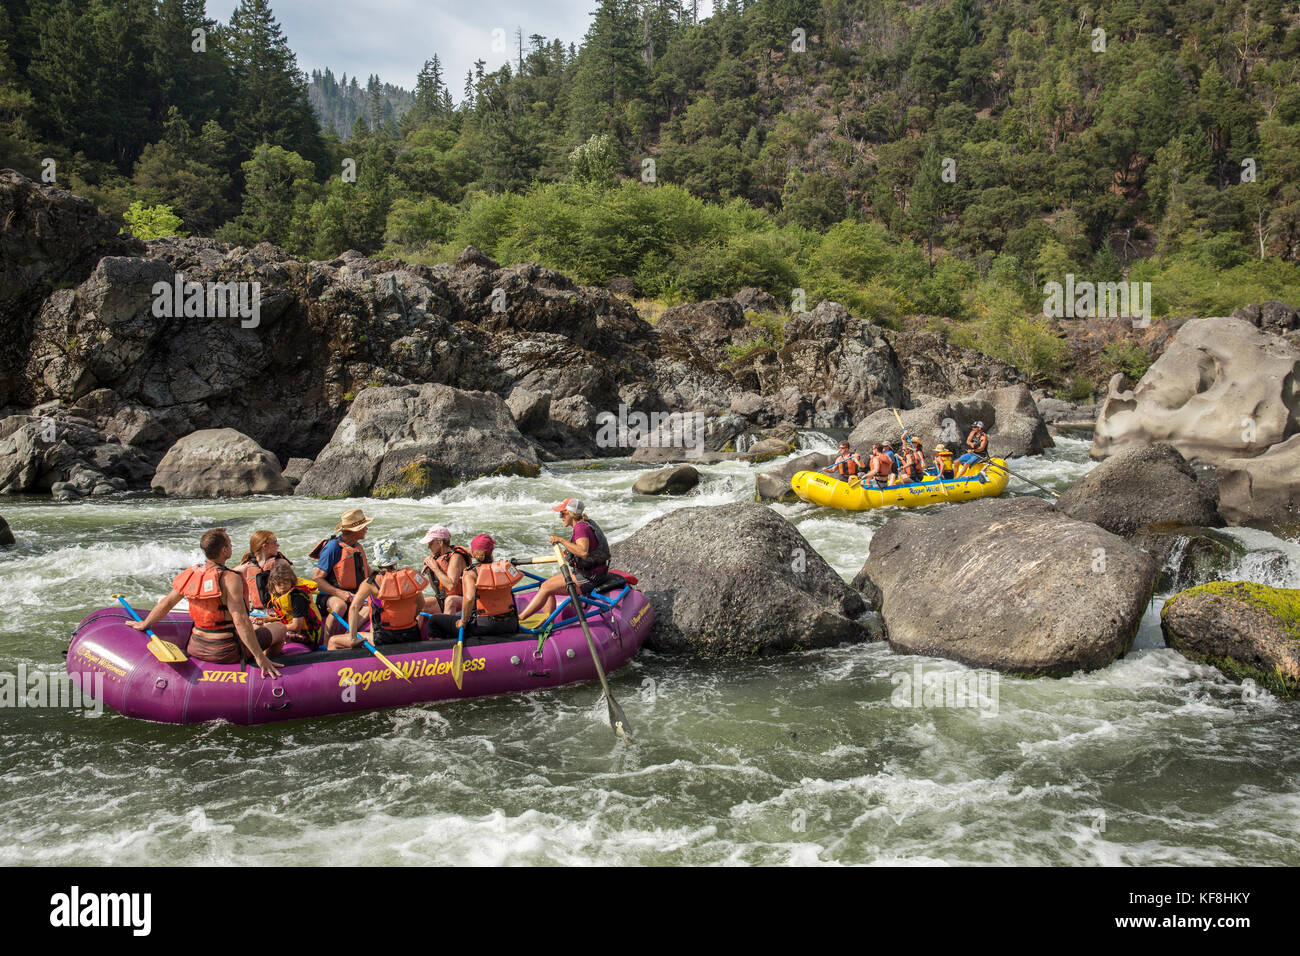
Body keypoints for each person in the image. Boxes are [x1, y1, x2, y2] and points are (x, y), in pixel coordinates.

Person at [128, 528, 282, 677]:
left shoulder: (191, 573)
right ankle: (265, 666)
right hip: (225, 651)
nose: (231, 546)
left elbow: (166, 603)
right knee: (280, 628)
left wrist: (145, 624)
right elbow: (241, 620)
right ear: (224, 551)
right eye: (229, 544)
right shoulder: (230, 578)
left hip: (195, 646)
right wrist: (259, 657)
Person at [517, 498, 611, 621]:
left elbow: (583, 551)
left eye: (562, 513)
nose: (560, 517)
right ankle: (548, 620)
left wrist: (561, 540)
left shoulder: (580, 528)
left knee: (546, 588)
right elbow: (588, 549)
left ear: (570, 514)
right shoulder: (586, 523)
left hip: (589, 577)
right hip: (590, 572)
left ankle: (520, 618)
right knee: (544, 585)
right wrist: (569, 552)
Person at [426, 534, 525, 641]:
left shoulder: (471, 573)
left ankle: (442, 650)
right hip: (510, 624)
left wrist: (463, 622)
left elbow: (469, 599)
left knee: (434, 620)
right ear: (492, 551)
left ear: (473, 553)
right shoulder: (504, 568)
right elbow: (519, 576)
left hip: (483, 626)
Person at [345, 540, 428, 649]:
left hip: (385, 639)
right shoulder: (410, 578)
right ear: (395, 559)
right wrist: (409, 620)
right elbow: (421, 603)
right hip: (411, 634)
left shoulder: (371, 582)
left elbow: (354, 607)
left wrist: (353, 639)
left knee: (335, 640)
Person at [311, 509, 372, 637]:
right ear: (355, 530)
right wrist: (340, 593)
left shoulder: (356, 546)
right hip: (330, 595)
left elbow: (369, 572)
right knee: (340, 606)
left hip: (354, 594)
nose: (367, 529)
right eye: (364, 526)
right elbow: (317, 579)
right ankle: (327, 644)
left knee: (372, 603)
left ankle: (348, 634)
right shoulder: (333, 547)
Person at [265, 562, 324, 650]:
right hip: (290, 628)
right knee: (260, 628)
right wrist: (264, 620)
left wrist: (276, 628)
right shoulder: (278, 595)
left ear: (291, 580)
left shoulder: (297, 596)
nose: (283, 587)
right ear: (273, 585)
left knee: (269, 635)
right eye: (279, 584)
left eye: (285, 582)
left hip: (307, 634)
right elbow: (282, 616)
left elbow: (296, 626)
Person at [420, 525, 471, 617]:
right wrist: (429, 570)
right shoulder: (437, 558)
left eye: (430, 543)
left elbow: (450, 586)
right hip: (443, 599)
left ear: (440, 542)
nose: (428, 547)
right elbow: (438, 590)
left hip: (460, 601)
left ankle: (446, 629)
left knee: (450, 600)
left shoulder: (456, 557)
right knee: (419, 605)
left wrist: (435, 568)